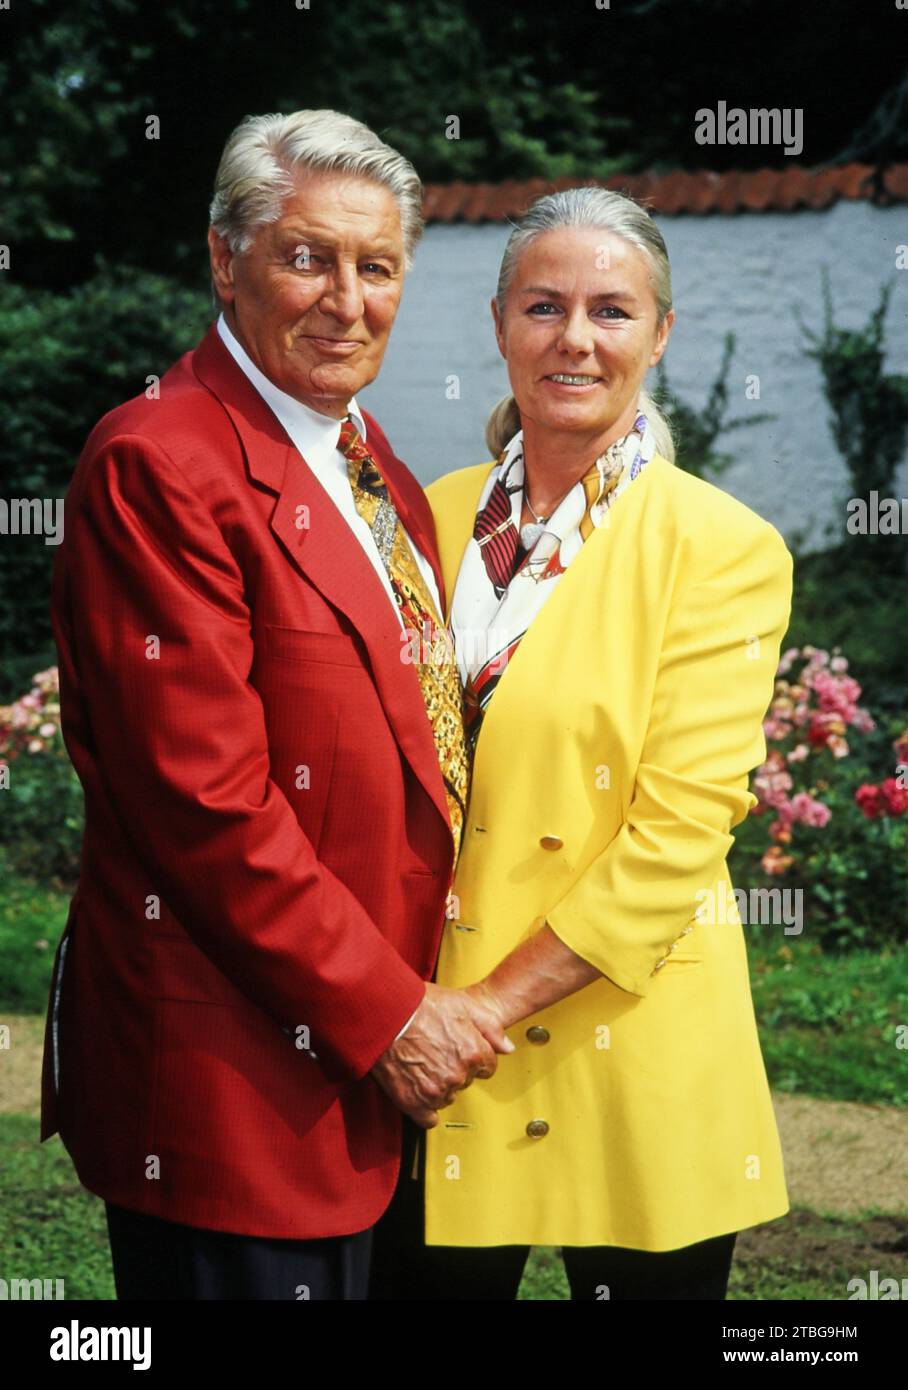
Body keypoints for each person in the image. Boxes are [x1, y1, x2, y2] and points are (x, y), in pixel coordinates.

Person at [39, 108, 511, 1302]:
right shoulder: (161, 461)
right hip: (237, 1087)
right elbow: (204, 806)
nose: (346, 300)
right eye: (307, 256)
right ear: (222, 259)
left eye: (377, 266)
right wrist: (393, 1017)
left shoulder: (372, 464)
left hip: (370, 1078)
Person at [369, 186, 793, 1301]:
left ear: (659, 336)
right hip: (428, 1049)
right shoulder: (422, 516)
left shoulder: (721, 547)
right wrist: (398, 1010)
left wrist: (475, 1014)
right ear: (500, 325)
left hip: (622, 1037)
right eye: (543, 305)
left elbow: (677, 837)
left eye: (611, 310)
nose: (573, 338)